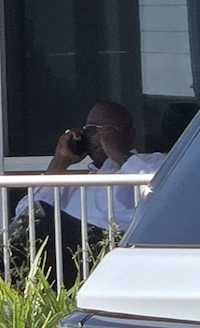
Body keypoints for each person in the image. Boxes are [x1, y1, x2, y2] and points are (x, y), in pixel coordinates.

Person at [27, 100, 166, 253]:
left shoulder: (152, 163)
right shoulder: (74, 185)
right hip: (71, 256)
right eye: (93, 131)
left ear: (129, 134)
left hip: (120, 249)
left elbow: (165, 191)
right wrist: (59, 163)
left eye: (108, 131)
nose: (101, 138)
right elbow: (27, 216)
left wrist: (119, 155)